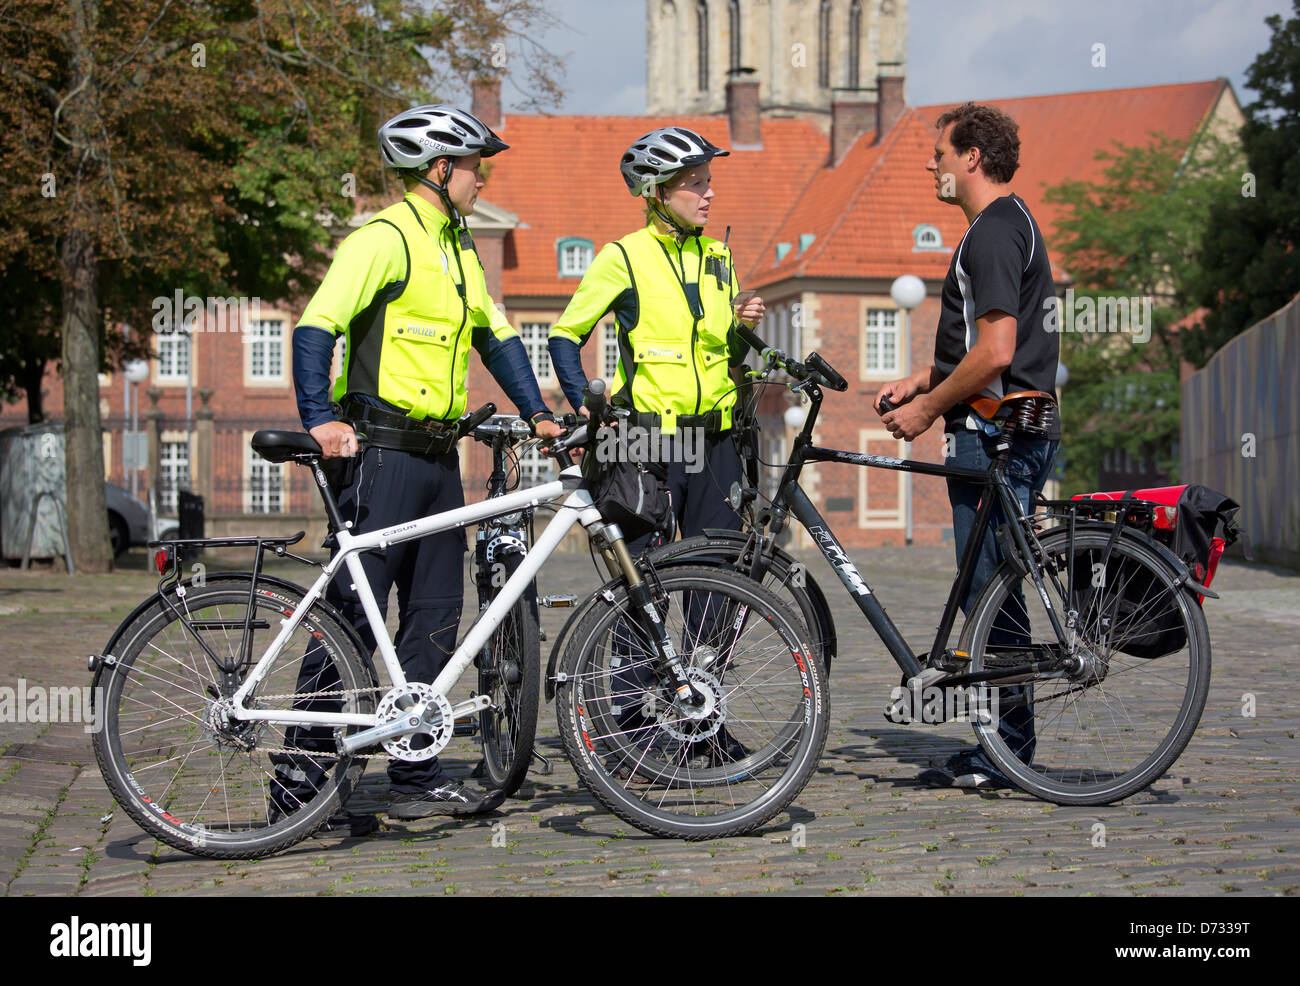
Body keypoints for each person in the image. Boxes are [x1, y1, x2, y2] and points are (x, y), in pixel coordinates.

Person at [281, 104, 564, 824]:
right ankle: (299, 773)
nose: (482, 178)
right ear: (440, 169)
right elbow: (318, 324)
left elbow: (497, 341)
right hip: (381, 455)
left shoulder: (461, 250)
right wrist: (320, 418)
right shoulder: (385, 239)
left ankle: (414, 770)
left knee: (435, 614)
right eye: (475, 166)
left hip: (441, 459)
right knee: (351, 614)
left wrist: (539, 413)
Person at [546, 126, 766, 767]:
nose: (707, 193)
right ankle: (629, 726)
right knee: (641, 581)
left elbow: (715, 351)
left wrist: (739, 331)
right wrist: (589, 408)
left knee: (716, 584)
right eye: (695, 183)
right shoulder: (624, 256)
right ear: (656, 191)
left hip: (715, 438)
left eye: (707, 181)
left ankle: (704, 718)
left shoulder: (718, 259)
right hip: (645, 435)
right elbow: (566, 335)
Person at [874, 102, 1061, 790]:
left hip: (995, 435)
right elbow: (983, 349)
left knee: (992, 597)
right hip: (1000, 426)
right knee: (992, 594)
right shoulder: (1004, 226)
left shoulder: (992, 233)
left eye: (940, 153)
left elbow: (998, 351)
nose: (933, 164)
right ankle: (1004, 746)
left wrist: (927, 408)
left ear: (971, 158)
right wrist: (922, 377)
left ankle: (1008, 753)